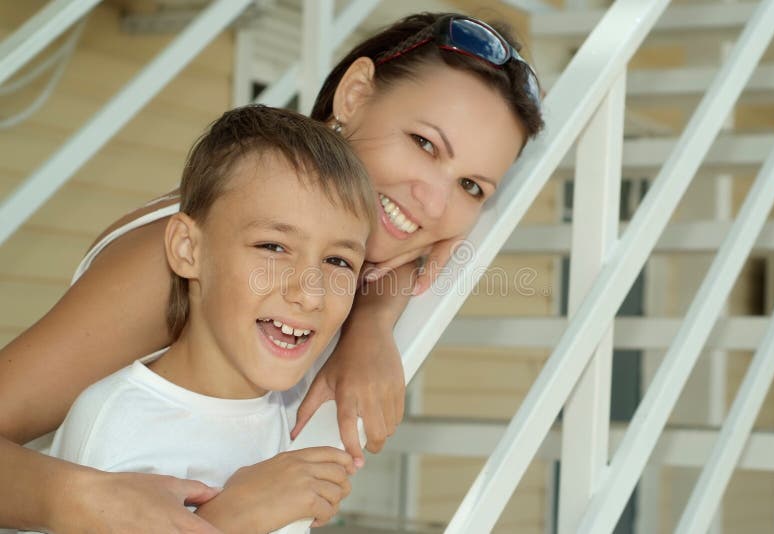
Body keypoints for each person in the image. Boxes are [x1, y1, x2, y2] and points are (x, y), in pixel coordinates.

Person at [0, 12, 543, 533]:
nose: (431, 202)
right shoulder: (176, 266)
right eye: (423, 144)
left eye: (471, 187)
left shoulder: (323, 254)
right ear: (354, 95)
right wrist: (78, 500)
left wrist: (373, 319)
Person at [27, 105, 373, 532]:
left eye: (338, 260)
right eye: (272, 247)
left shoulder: (294, 396)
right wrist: (231, 517)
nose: (310, 293)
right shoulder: (117, 423)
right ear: (188, 250)